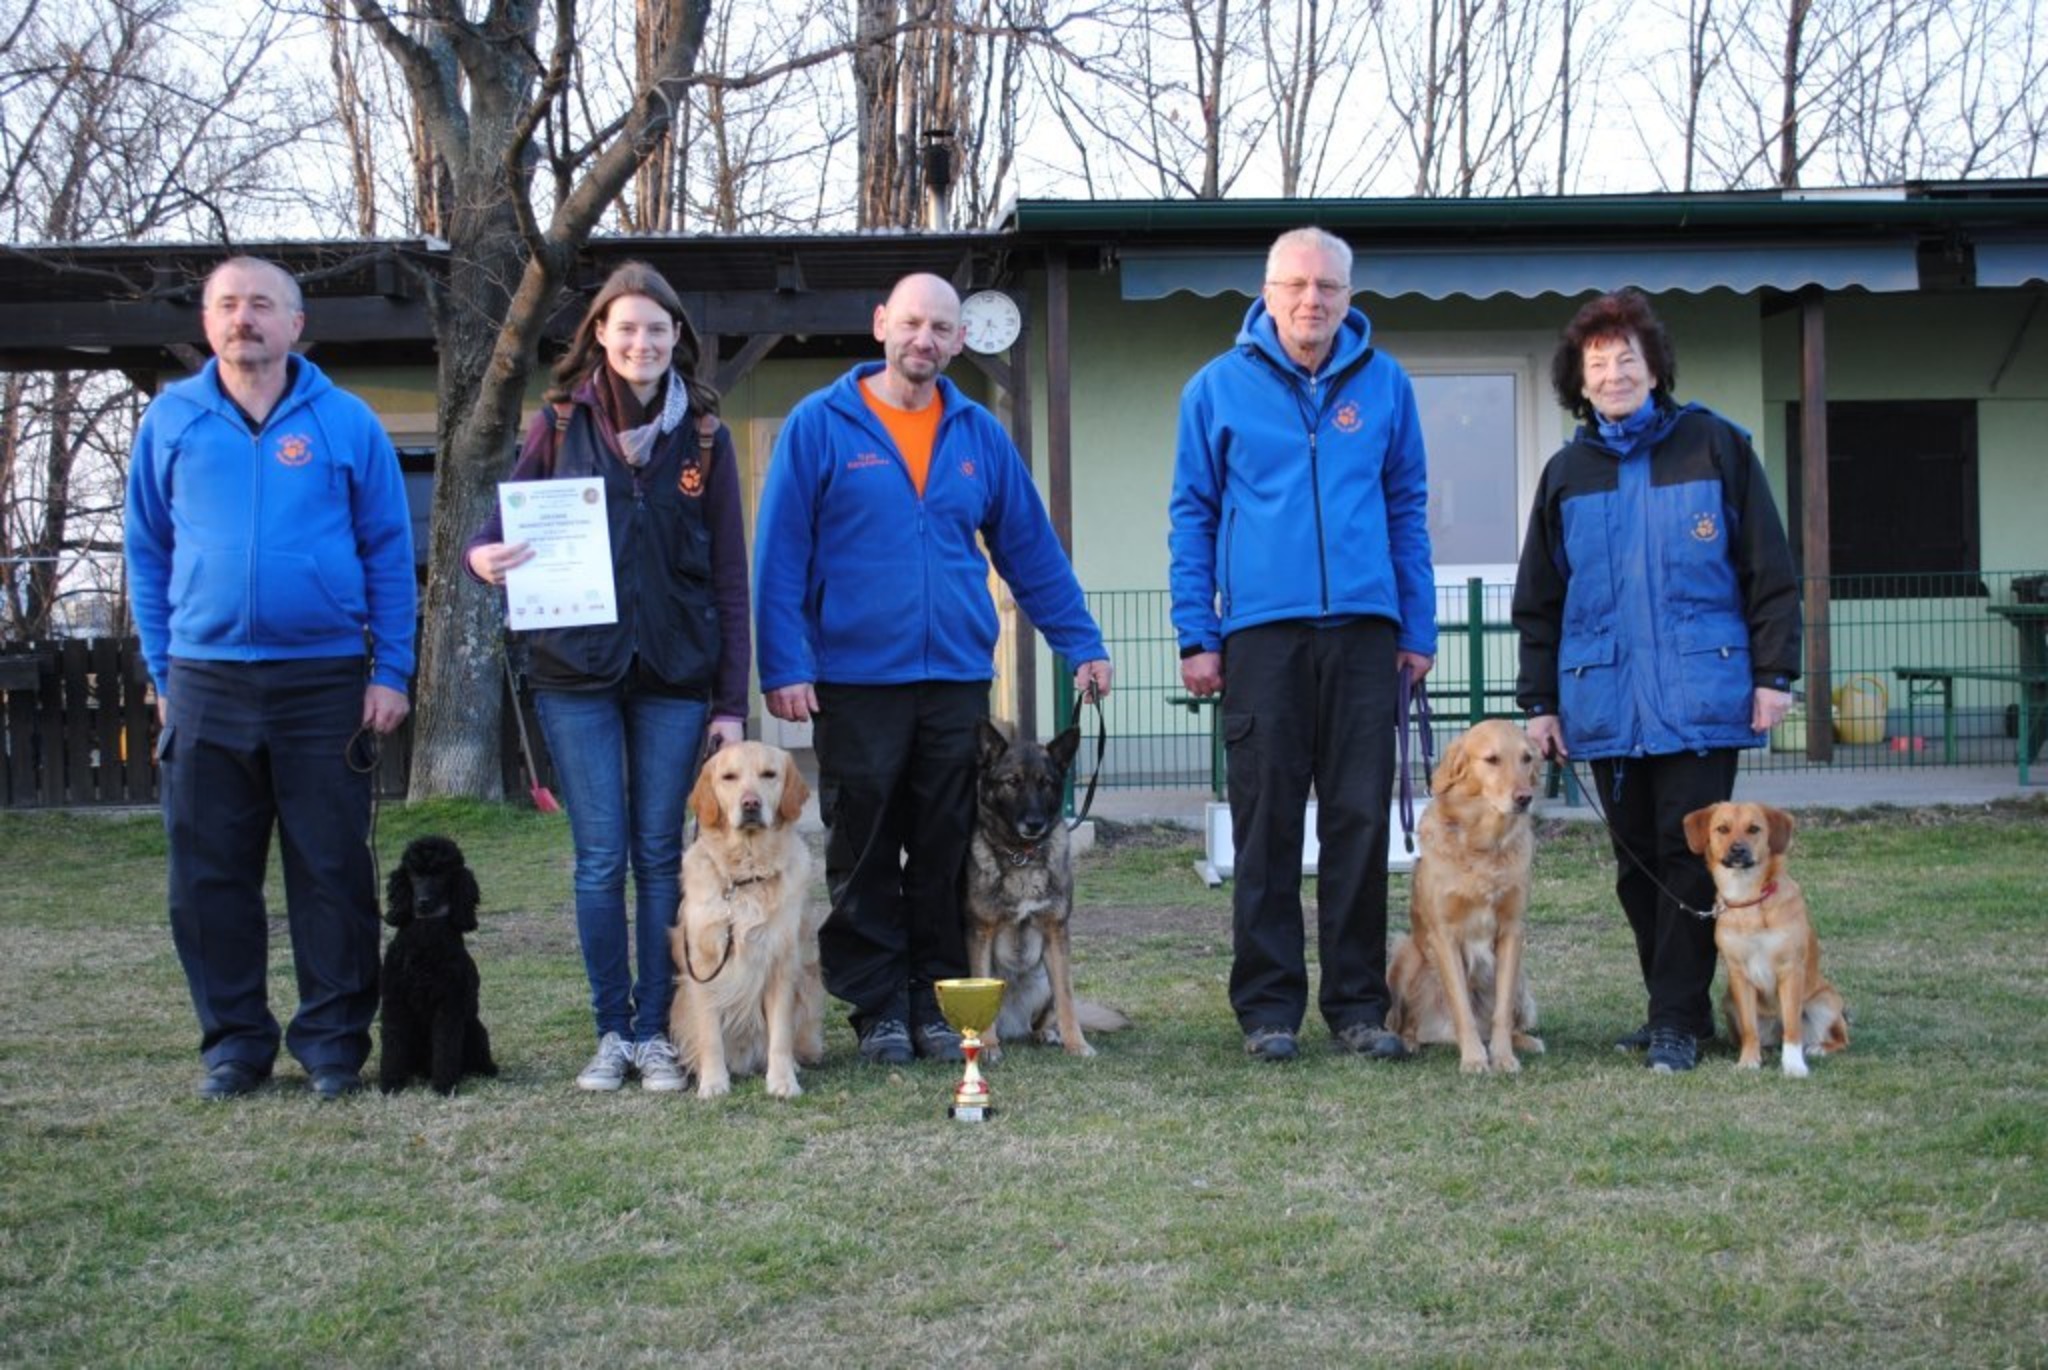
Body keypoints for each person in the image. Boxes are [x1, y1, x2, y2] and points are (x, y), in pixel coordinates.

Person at [753, 272, 1114, 1067]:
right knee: (868, 846)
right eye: (912, 322)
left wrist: (1081, 642)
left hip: (954, 679)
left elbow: (1030, 550)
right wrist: (784, 661)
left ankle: (936, 999)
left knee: (948, 846)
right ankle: (878, 1005)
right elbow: (779, 555)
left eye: (941, 328)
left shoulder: (978, 434)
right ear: (882, 323)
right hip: (854, 680)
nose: (925, 339)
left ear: (958, 341)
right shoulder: (821, 426)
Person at [126, 256, 416, 1101]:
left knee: (331, 868)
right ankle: (235, 1045)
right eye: (226, 305)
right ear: (206, 323)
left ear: (297, 325)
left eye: (262, 305)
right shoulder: (171, 421)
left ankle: (331, 1044)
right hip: (205, 680)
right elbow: (147, 554)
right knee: (208, 875)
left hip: (323, 680)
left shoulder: (345, 423)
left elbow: (390, 554)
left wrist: (391, 669)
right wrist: (163, 669)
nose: (242, 318)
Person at [466, 262, 749, 1093]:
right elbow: (493, 528)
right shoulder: (557, 424)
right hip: (575, 673)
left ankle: (660, 1033)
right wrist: (483, 557)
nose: (641, 342)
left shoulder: (704, 434)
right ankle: (611, 1032)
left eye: (657, 330)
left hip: (673, 678)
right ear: (599, 334)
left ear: (676, 340)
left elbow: (730, 574)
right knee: (599, 860)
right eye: (625, 328)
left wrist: (730, 700)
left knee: (662, 857)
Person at [1512, 287, 1801, 1074]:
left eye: (1626, 358)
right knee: (1636, 863)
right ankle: (1675, 1008)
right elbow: (1540, 599)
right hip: (1604, 702)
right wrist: (1539, 702)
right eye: (1596, 362)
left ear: (1654, 366)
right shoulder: (1567, 473)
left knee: (1687, 861)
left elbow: (1768, 570)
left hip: (1703, 699)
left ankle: (1677, 1019)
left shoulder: (1716, 446)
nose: (1613, 374)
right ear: (1579, 377)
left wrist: (1775, 674)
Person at [1168, 227, 1438, 1064]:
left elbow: (1407, 509)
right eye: (1296, 285)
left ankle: (1358, 1007)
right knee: (1267, 828)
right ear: (1267, 290)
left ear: (1349, 296)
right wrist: (1196, 631)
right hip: (1261, 639)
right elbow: (1192, 514)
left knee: (1359, 825)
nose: (1311, 299)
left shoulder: (1386, 385)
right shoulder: (1214, 389)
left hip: (1365, 633)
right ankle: (1268, 1010)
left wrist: (1416, 626)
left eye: (1327, 286)